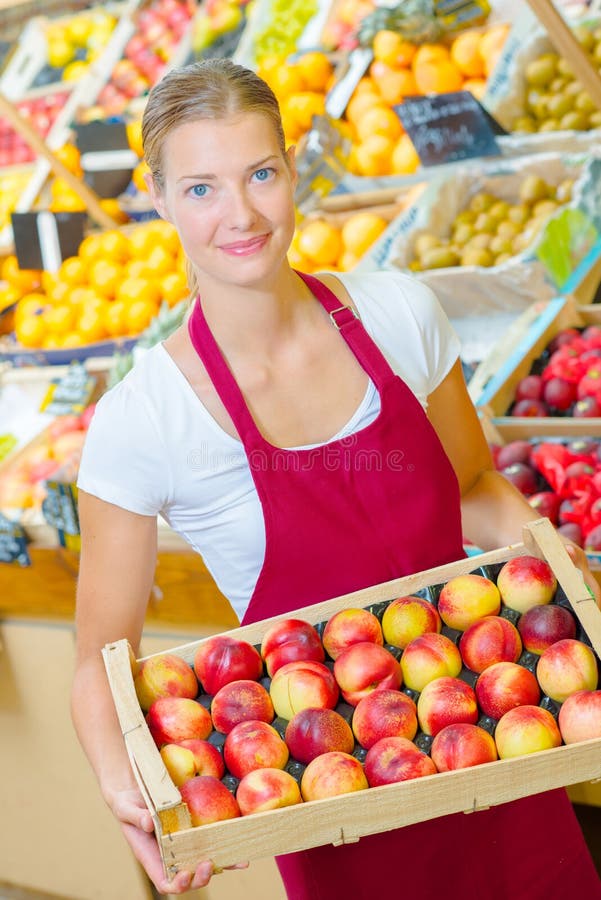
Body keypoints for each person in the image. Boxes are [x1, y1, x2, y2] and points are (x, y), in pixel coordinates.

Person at [71, 58, 601, 898]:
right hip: (325, 788)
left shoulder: (399, 314)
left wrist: (562, 565)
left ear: (291, 167)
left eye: (260, 173)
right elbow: (100, 663)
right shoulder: (145, 423)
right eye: (201, 188)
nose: (240, 215)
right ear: (160, 196)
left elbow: (470, 486)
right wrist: (123, 784)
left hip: (499, 738)